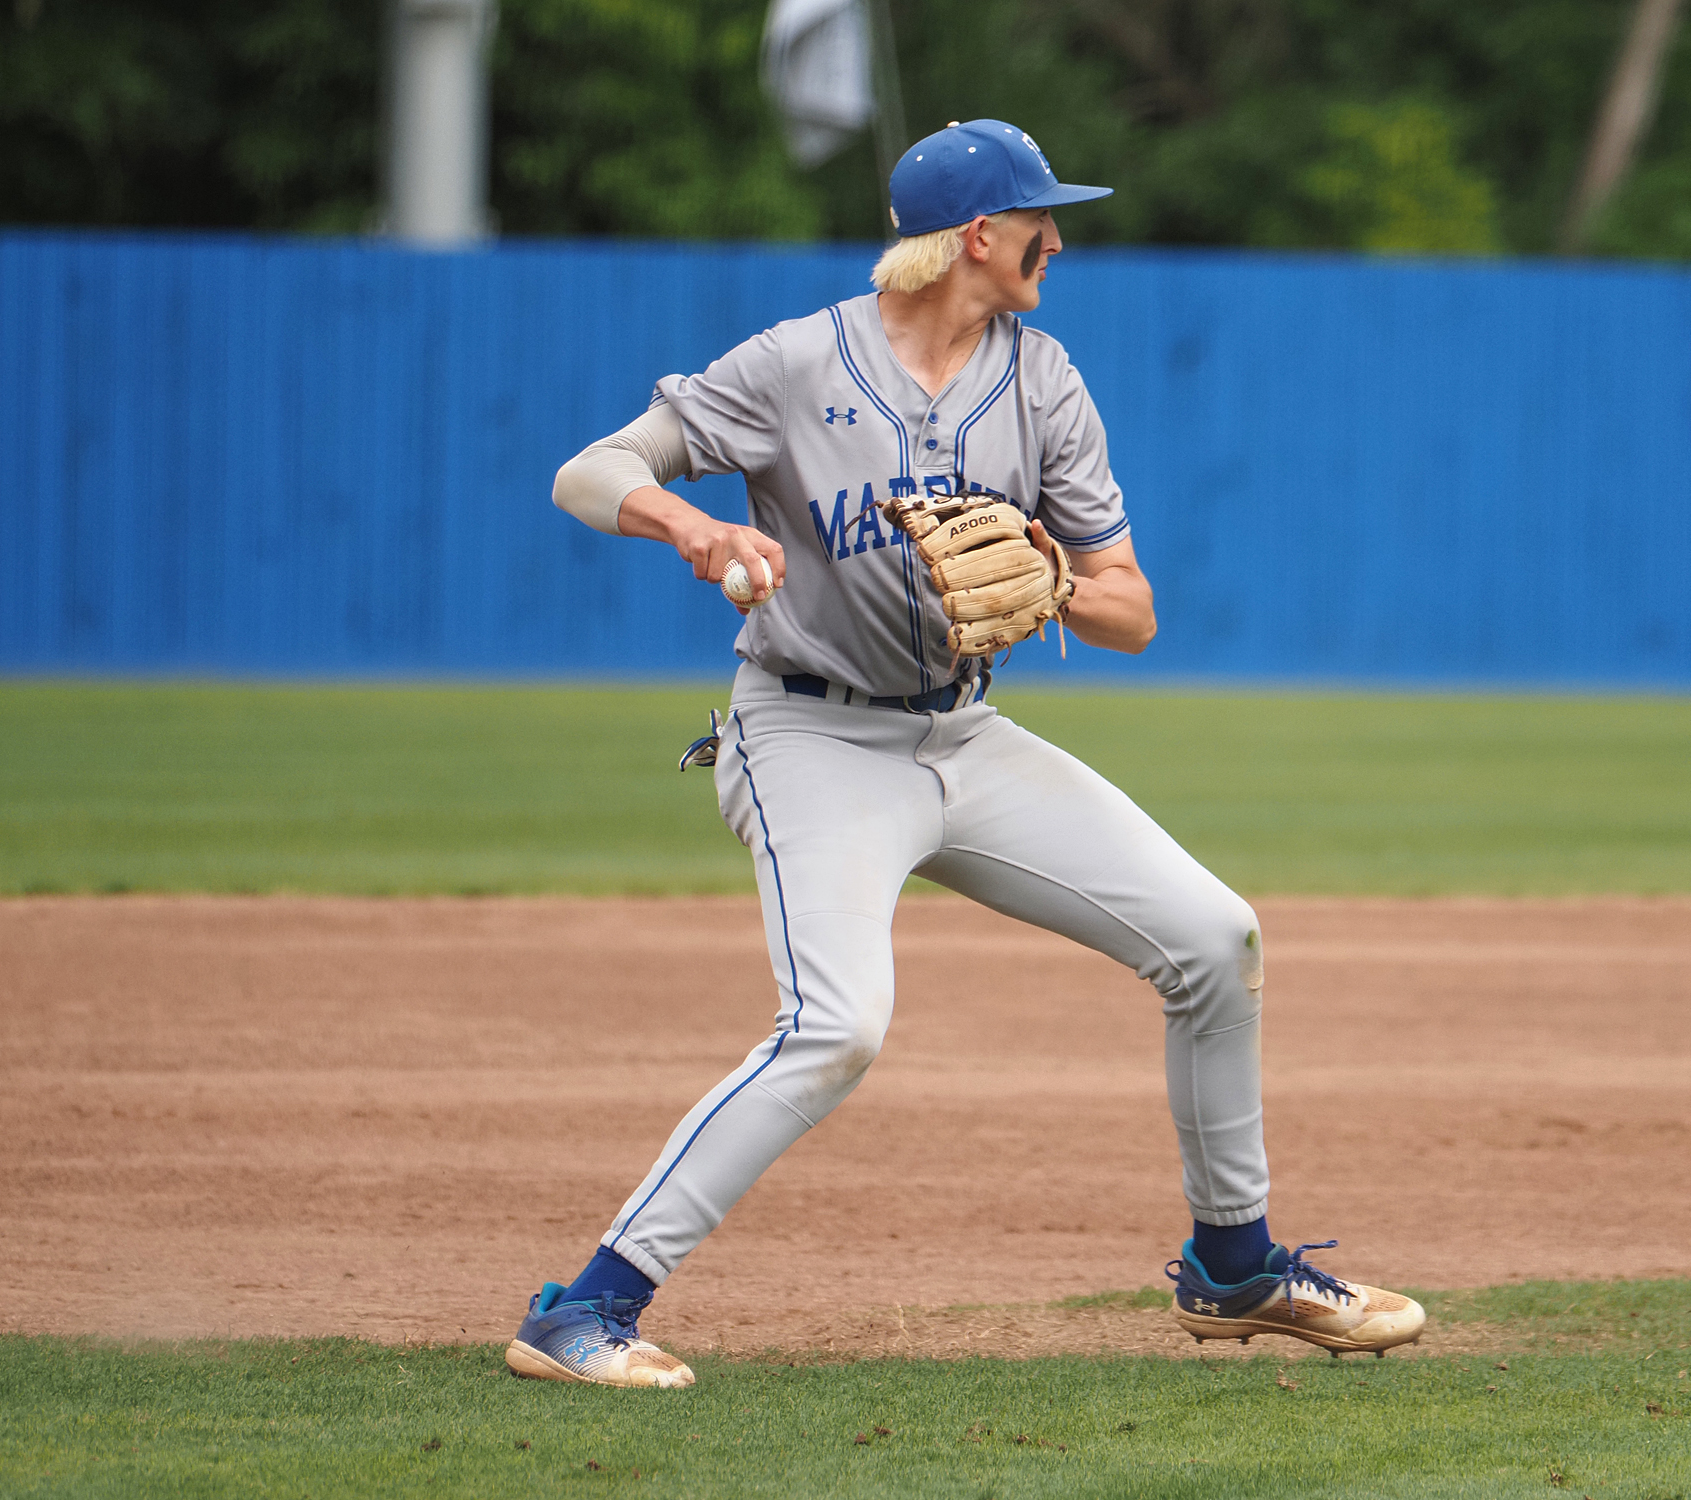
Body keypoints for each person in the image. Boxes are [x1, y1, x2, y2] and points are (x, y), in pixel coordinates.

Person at [504, 120, 1425, 1389]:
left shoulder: (1040, 380)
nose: (1062, 237)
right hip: (808, 733)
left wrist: (1047, 576)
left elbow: (1132, 612)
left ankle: (1234, 1266)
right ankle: (583, 1307)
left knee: (1215, 940)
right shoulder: (791, 364)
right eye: (1042, 218)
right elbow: (586, 470)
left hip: (962, 733)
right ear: (978, 238)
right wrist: (694, 530)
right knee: (836, 1027)